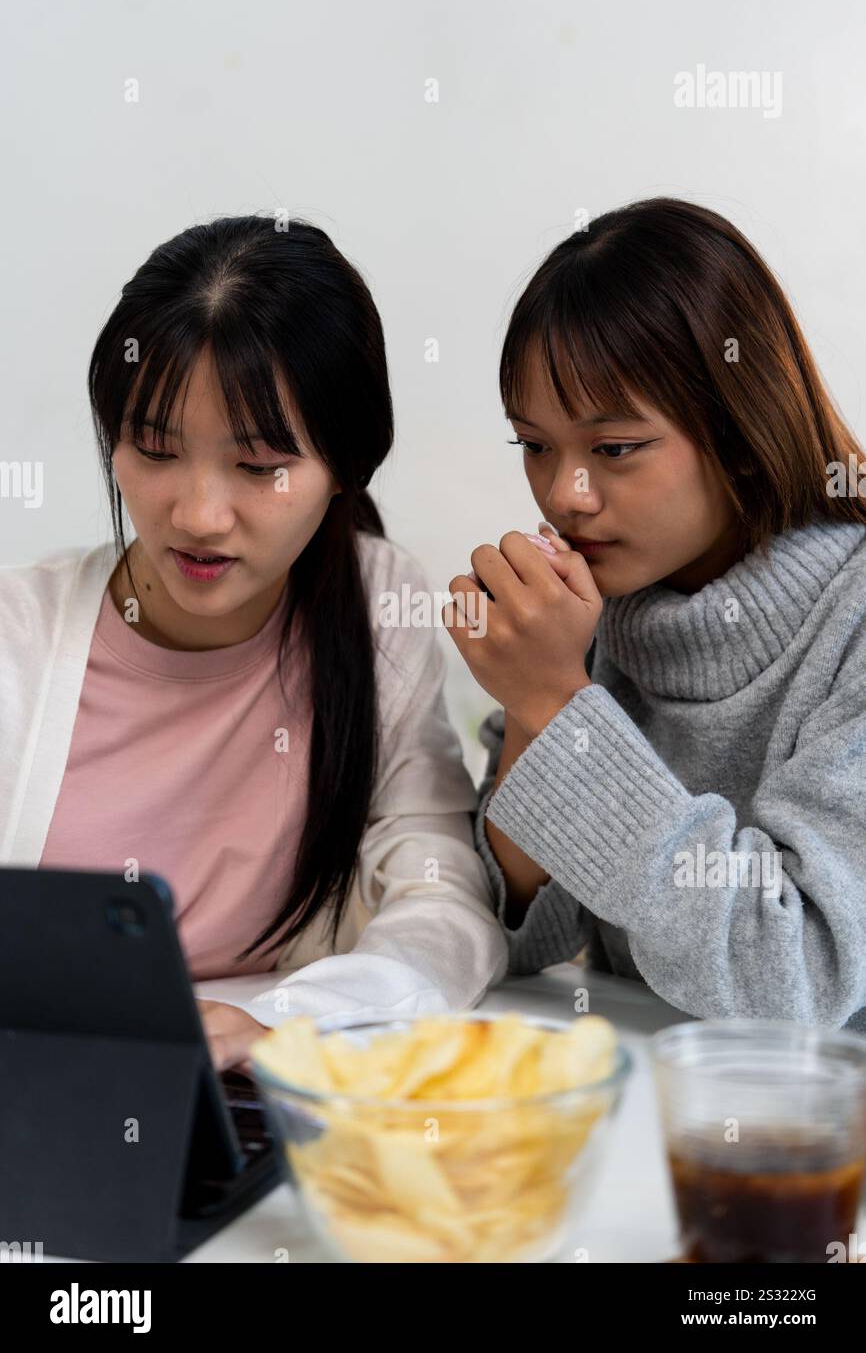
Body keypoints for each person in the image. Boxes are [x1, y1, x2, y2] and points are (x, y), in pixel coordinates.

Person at [0, 214, 507, 1069]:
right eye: (154, 450)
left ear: (347, 467)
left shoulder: (379, 604)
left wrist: (292, 1023)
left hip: (264, 1090)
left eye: (259, 465)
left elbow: (443, 896)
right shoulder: (22, 633)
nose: (198, 515)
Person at [444, 196, 866, 1031]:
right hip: (640, 1098)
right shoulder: (594, 608)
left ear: (744, 432)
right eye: (534, 445)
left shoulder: (850, 619)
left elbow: (799, 977)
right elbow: (515, 935)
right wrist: (541, 703)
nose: (565, 495)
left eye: (615, 450)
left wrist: (562, 709)